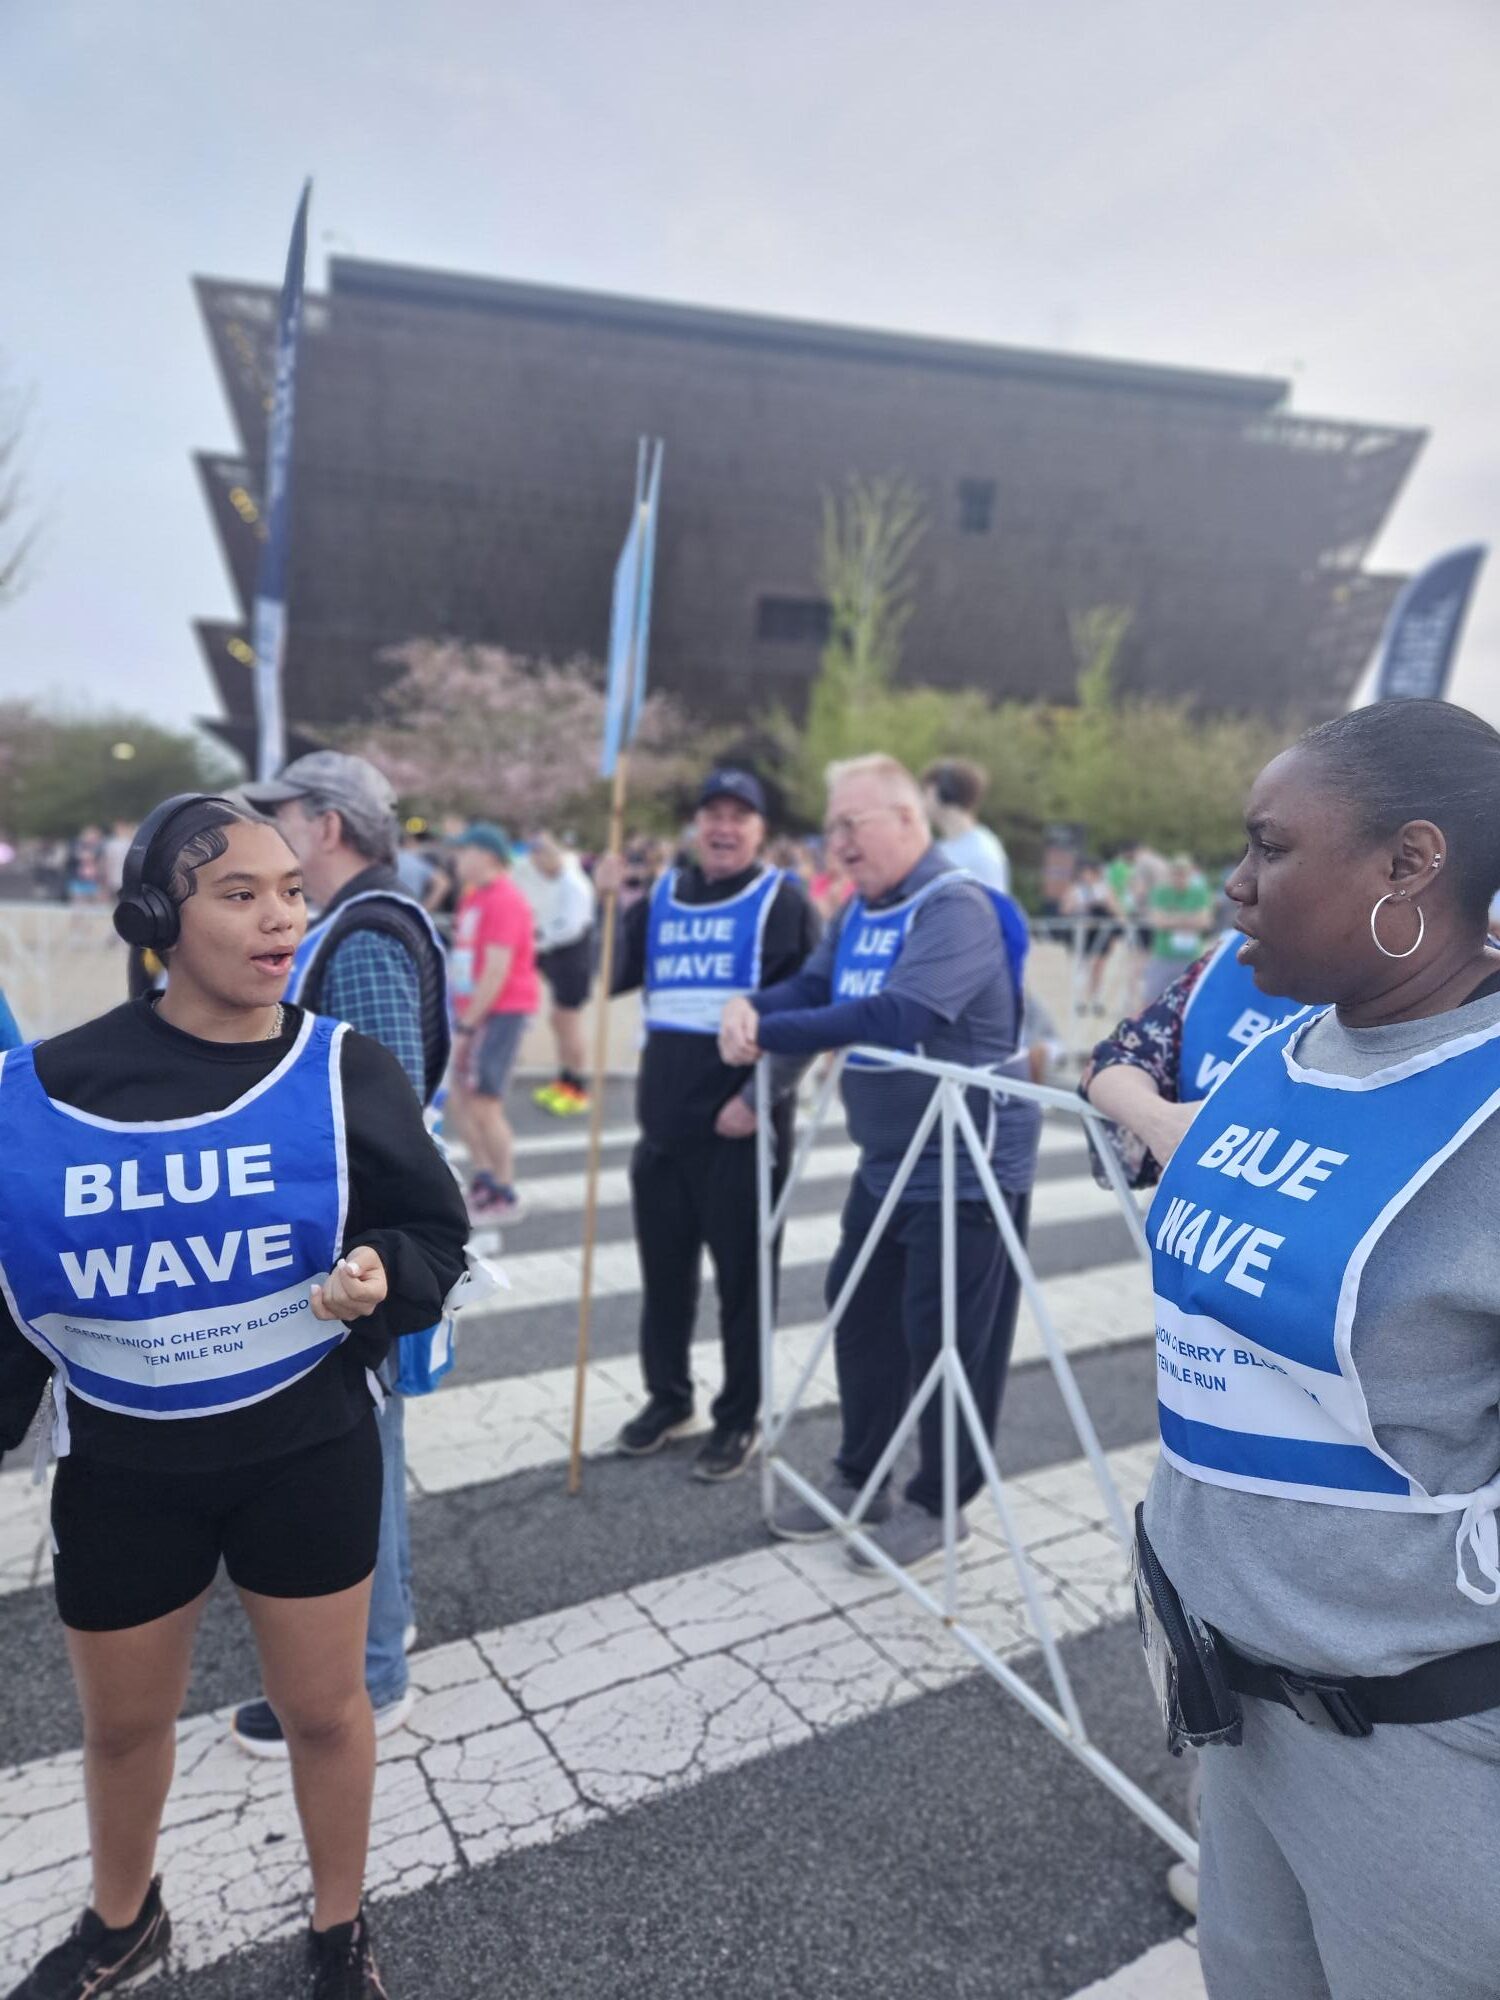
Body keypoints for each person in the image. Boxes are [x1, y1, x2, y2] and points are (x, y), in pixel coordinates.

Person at [0, 794, 468, 2000]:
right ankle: (123, 1921)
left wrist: (386, 1274)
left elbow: (432, 1229)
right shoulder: (43, 1087)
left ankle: (336, 1927)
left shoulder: (340, 1068)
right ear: (159, 916)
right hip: (122, 1470)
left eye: (293, 891)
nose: (281, 919)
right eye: (241, 893)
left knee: (325, 1710)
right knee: (118, 1730)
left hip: (304, 1453)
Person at [1135, 700, 1500, 2000]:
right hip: (1237, 1715)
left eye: (1270, 847)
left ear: (1410, 865)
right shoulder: (1283, 1048)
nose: (1232, 887)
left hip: (1423, 1752)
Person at [720, 754, 1039, 1571]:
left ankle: (940, 1502)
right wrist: (751, 1008)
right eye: (830, 828)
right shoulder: (860, 911)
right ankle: (859, 1474)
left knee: (949, 1340)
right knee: (859, 1314)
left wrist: (767, 1034)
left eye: (849, 825)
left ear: (907, 820)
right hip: (887, 1159)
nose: (836, 844)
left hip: (967, 1165)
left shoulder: (954, 906)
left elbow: (901, 1015)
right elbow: (812, 989)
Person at [231, 751, 455, 1760]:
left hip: (358, 1246)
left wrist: (362, 1254)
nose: (268, 830)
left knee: (353, 1450)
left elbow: (384, 1108)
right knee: (370, 1444)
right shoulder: (358, 919)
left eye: (278, 814)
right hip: (363, 1241)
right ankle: (380, 1640)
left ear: (326, 825)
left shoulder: (362, 931)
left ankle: (367, 1672)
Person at [600, 769, 819, 1481]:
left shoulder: (781, 902)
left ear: (760, 830)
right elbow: (600, 977)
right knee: (664, 1282)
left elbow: (805, 1016)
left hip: (741, 1134)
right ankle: (669, 1399)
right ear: (694, 825)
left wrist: (756, 1098)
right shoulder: (659, 895)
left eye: (739, 816)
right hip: (661, 1128)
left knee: (744, 1290)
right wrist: (599, 908)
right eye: (711, 814)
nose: (723, 828)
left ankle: (738, 1417)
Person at [446, 823, 538, 1221]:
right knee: (462, 1099)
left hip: (500, 1011)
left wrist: (467, 1025)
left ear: (486, 855)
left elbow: (496, 971)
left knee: (485, 1102)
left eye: (464, 851)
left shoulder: (505, 900)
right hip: (473, 1010)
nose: (457, 859)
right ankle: (484, 1177)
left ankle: (503, 1188)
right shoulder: (474, 898)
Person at [516, 832, 597, 1117]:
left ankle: (577, 1086)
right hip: (559, 956)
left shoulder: (573, 882)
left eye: (540, 860)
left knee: (569, 1020)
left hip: (572, 957)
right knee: (559, 1019)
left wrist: (540, 939)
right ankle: (564, 1080)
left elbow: (571, 927)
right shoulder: (560, 880)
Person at [920, 757, 1011, 892]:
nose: (921, 799)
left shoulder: (982, 852)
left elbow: (989, 909)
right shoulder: (940, 848)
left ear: (943, 793)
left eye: (925, 791)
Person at [1142, 851, 1212, 1003]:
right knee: (1152, 998)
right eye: (1176, 873)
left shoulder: (1200, 892)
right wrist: (1189, 918)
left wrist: (1172, 918)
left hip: (1191, 956)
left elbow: (1205, 921)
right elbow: (1158, 921)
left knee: (1189, 1001)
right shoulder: (1161, 892)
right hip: (1164, 954)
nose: (1179, 877)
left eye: (1183, 873)